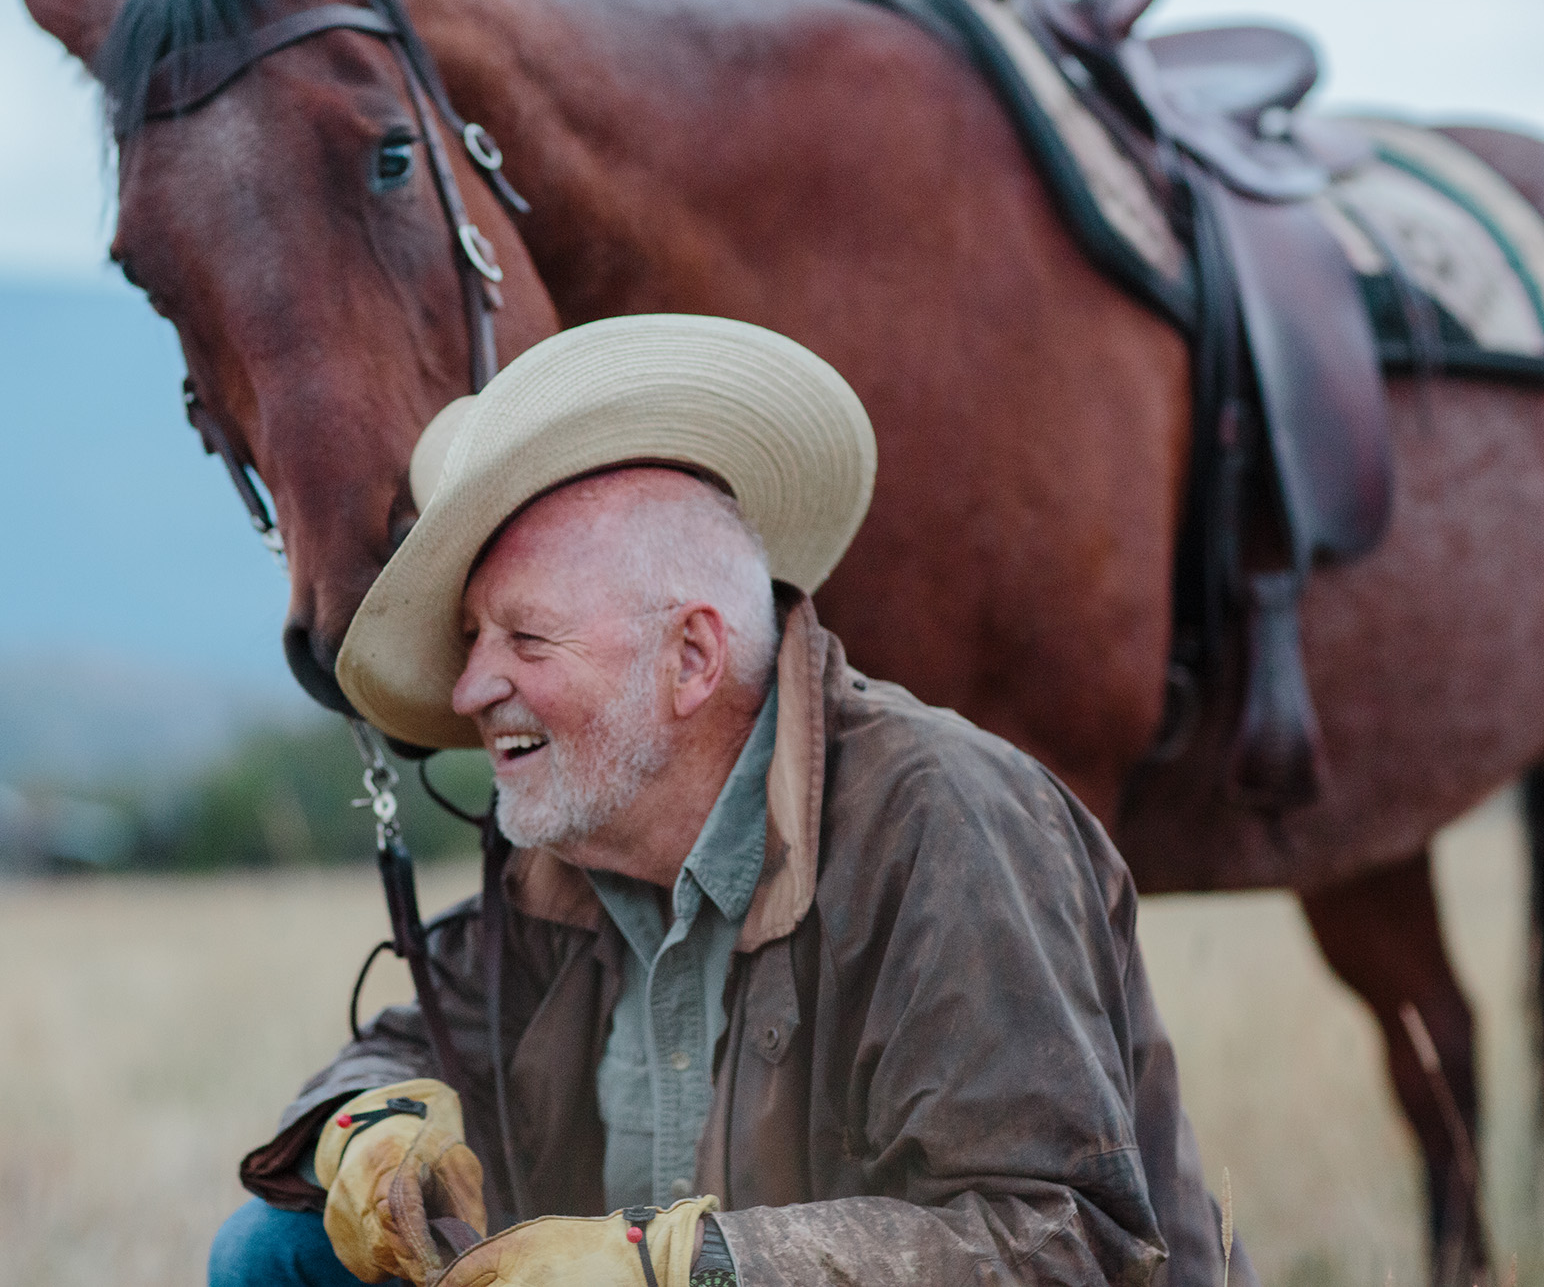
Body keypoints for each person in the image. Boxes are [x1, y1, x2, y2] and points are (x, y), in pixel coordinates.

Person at [210, 315, 1251, 1287]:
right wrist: (366, 1120)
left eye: (524, 640)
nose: (468, 688)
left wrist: (691, 1264)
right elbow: (418, 1033)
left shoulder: (946, 822)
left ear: (692, 657)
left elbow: (1063, 1243)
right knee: (277, 1249)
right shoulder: (572, 846)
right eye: (474, 642)